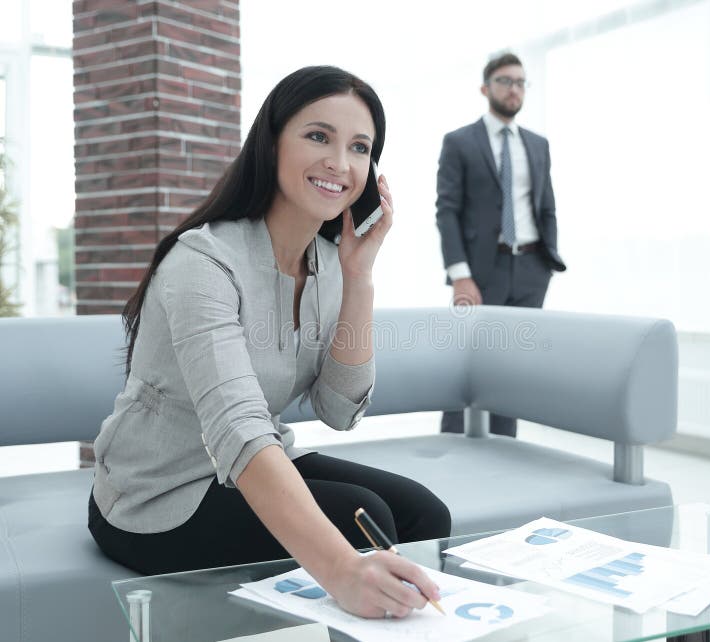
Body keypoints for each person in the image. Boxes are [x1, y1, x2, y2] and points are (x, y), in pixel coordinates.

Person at [88, 66, 450, 619]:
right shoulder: (203, 261)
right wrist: (343, 572)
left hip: (252, 465)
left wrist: (358, 275)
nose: (340, 162)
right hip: (157, 493)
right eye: (319, 136)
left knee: (425, 515)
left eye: (360, 147)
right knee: (364, 519)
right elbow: (238, 427)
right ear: (272, 142)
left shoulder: (329, 263)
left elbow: (339, 410)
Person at [436, 52, 566, 438]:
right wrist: (460, 275)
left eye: (520, 82)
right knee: (467, 360)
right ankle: (453, 445)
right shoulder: (460, 142)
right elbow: (447, 211)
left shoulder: (538, 145)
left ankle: (505, 446)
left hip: (531, 268)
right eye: (505, 81)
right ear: (485, 88)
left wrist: (548, 263)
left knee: (514, 368)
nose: (514, 89)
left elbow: (547, 207)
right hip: (480, 271)